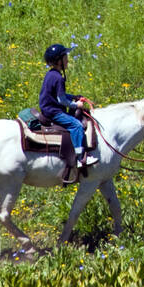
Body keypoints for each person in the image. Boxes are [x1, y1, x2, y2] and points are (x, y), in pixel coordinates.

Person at [39, 43, 94, 185]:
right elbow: (61, 99)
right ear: (59, 61)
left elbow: (61, 94)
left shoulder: (51, 74)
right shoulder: (58, 78)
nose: (67, 59)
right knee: (76, 125)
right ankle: (80, 158)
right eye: (65, 57)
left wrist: (73, 96)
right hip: (53, 111)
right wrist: (76, 104)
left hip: (47, 108)